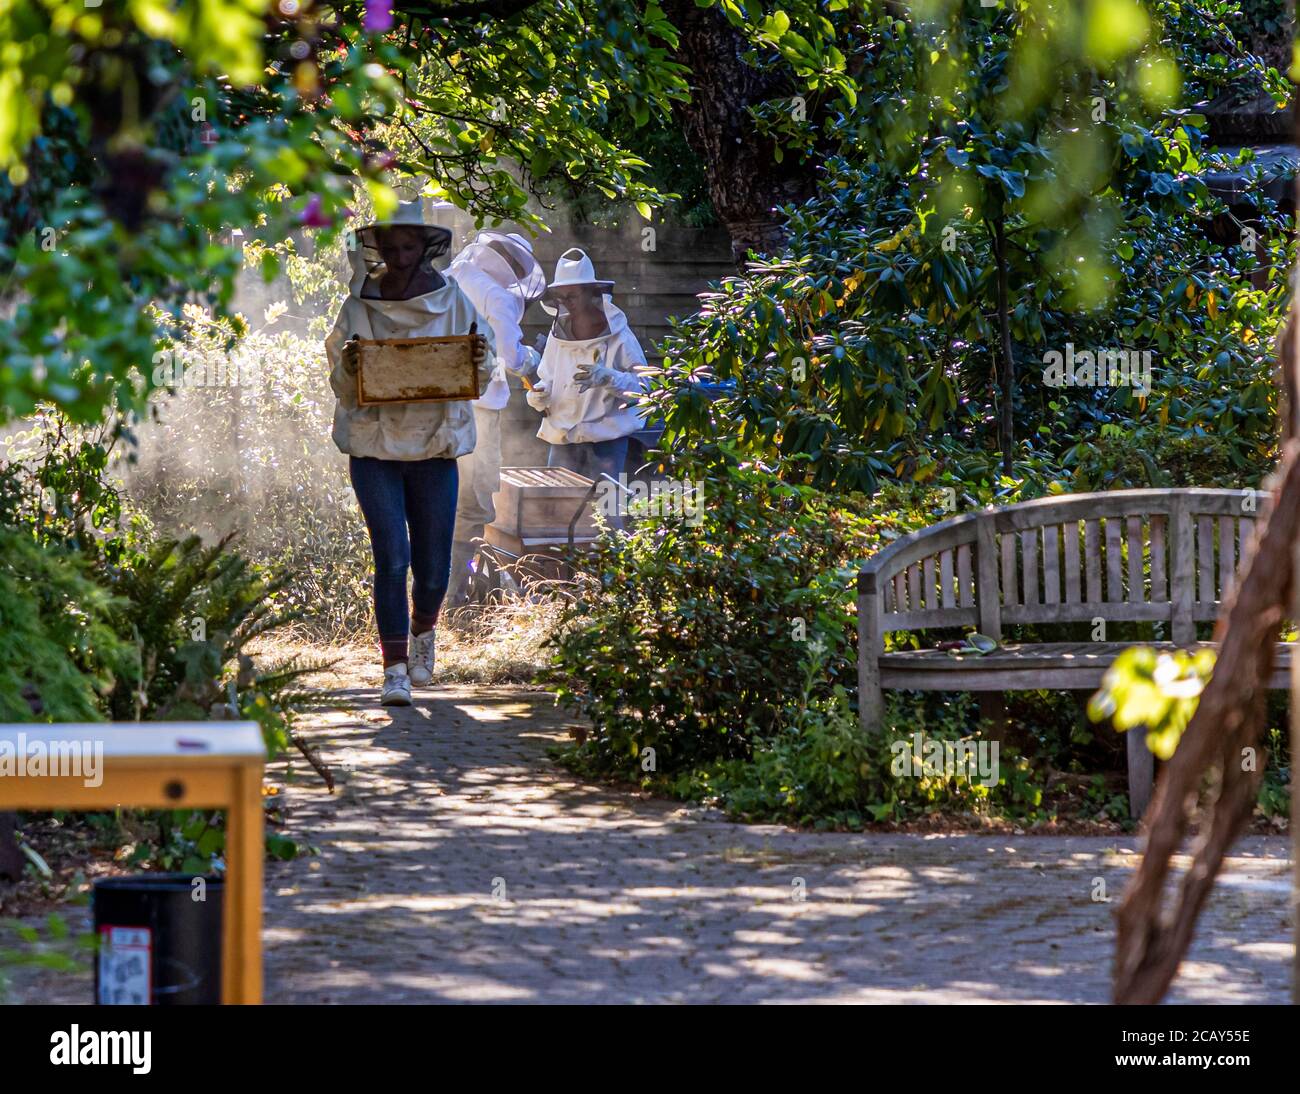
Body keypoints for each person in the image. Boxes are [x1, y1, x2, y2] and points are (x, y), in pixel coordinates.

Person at [326, 199, 492, 706]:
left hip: (435, 445)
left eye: (408, 247)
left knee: (434, 569)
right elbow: (340, 382)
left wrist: (478, 357)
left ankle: (423, 633)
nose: (400, 257)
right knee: (392, 558)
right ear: (379, 248)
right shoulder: (358, 306)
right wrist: (351, 365)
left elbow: (483, 370)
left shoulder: (453, 299)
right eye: (392, 248)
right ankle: (394, 669)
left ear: (424, 248)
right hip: (374, 446)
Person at [444, 231, 547, 602]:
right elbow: (510, 356)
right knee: (473, 503)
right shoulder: (497, 295)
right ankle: (452, 595)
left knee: (437, 497)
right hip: (478, 414)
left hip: (435, 407)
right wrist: (533, 357)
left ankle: (430, 589)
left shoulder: (453, 275)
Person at [525, 248, 648, 520]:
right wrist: (538, 395)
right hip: (563, 438)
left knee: (606, 516)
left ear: (590, 292)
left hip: (606, 440)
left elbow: (645, 388)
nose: (566, 302)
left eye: (572, 295)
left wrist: (609, 378)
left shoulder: (619, 336)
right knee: (555, 515)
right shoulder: (557, 334)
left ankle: (610, 549)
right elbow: (547, 379)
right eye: (561, 297)